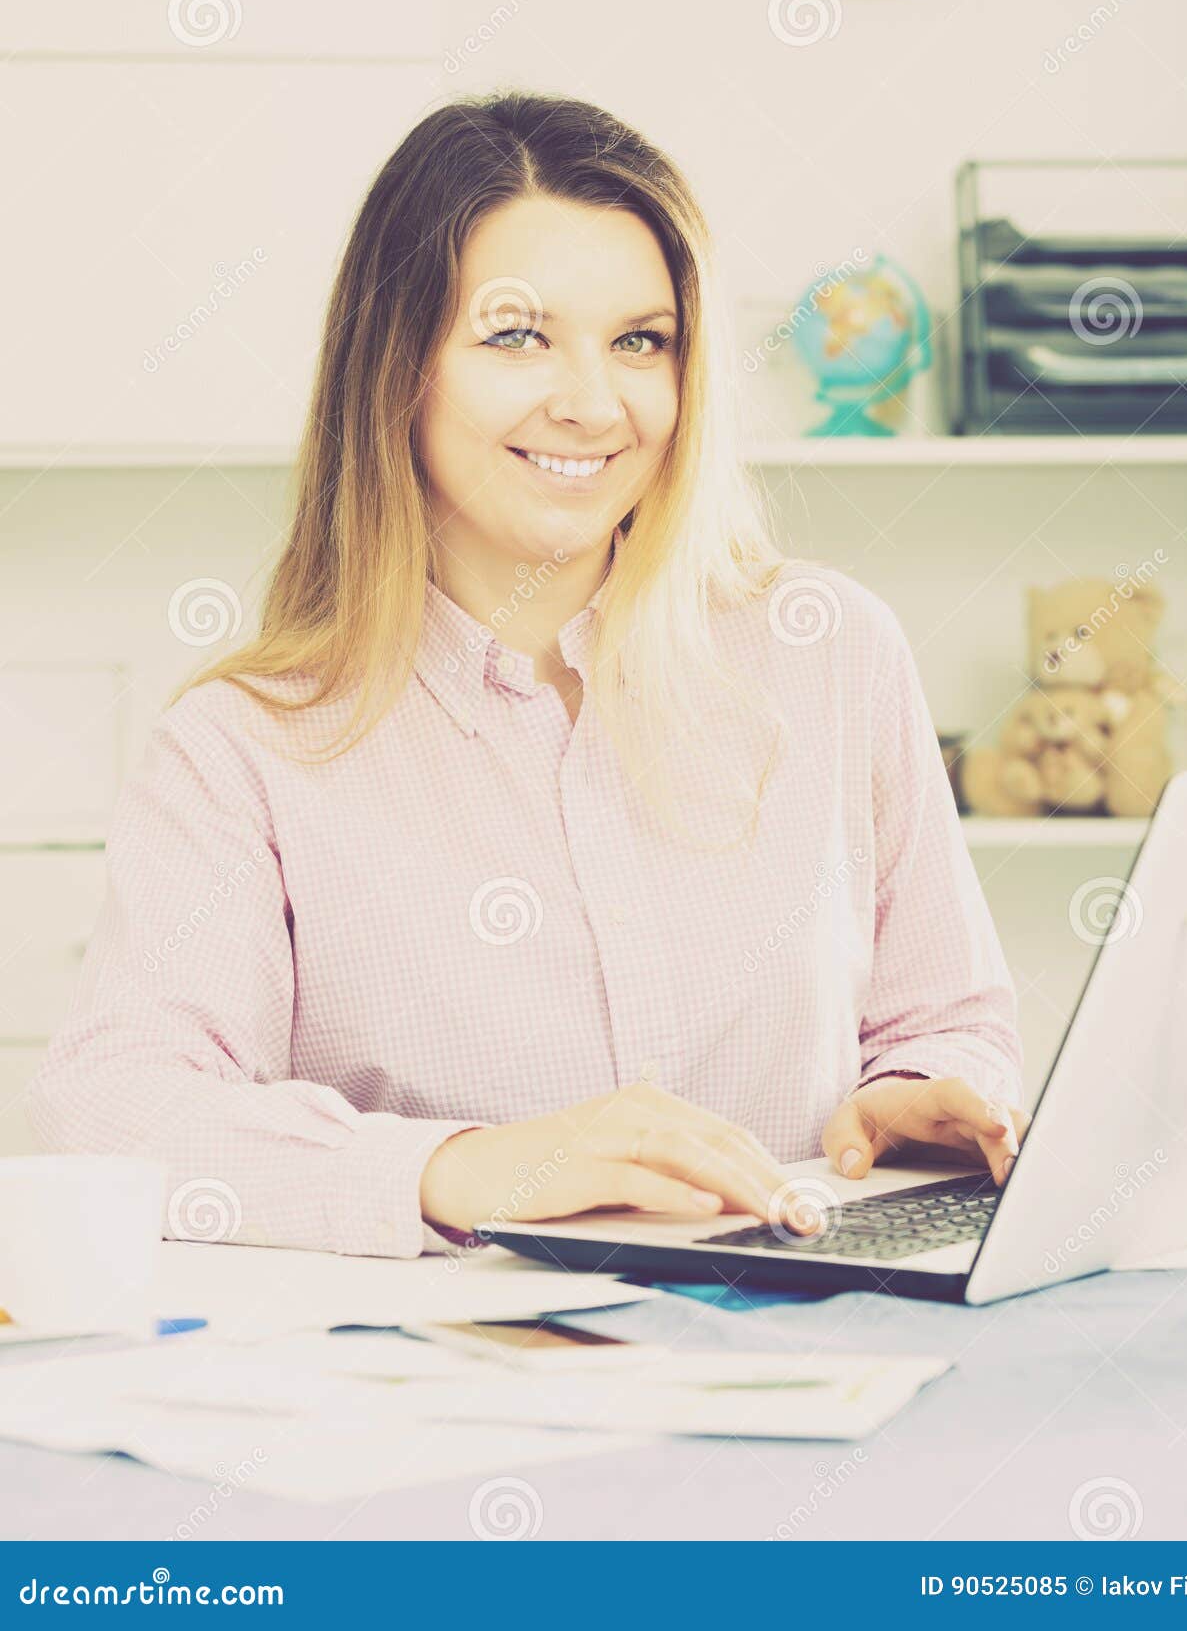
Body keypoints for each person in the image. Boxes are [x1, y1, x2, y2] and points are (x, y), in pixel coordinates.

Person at [30, 91, 1026, 1258]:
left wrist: (927, 1088)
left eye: (639, 342)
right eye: (517, 336)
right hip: (441, 1391)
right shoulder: (243, 747)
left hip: (824, 1353)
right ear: (397, 365)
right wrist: (455, 1168)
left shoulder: (833, 650)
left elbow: (951, 1020)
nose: (592, 404)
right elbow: (112, 1109)